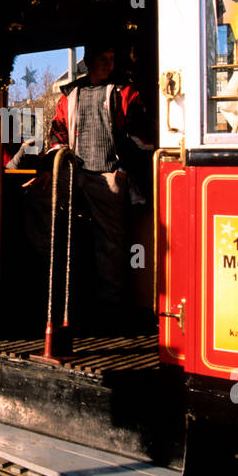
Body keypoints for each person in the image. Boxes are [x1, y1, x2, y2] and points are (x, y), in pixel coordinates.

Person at [43, 38, 152, 318]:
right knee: (50, 218)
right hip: (76, 172)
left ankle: (109, 304)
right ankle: (56, 294)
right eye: (103, 59)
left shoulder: (124, 92)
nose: (109, 64)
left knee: (110, 241)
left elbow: (140, 134)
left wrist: (124, 168)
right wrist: (52, 167)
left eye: (112, 59)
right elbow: (57, 132)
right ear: (89, 62)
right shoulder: (70, 94)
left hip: (109, 172)